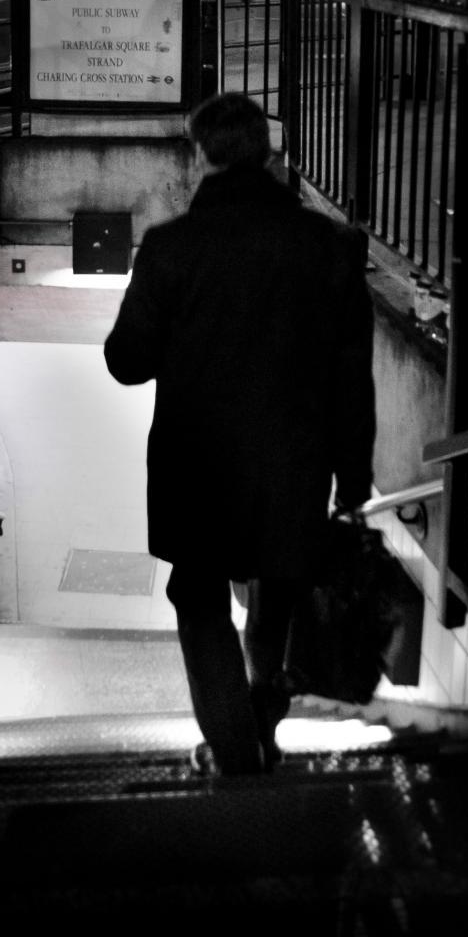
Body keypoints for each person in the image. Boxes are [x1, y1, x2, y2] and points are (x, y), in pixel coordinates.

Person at [103, 92, 376, 777]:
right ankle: (260, 720)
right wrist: (353, 471)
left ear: (202, 156)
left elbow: (126, 361)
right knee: (277, 590)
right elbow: (352, 374)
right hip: (295, 460)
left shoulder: (171, 248)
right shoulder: (329, 246)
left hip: (200, 463)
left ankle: (236, 753)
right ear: (267, 153)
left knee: (197, 597)